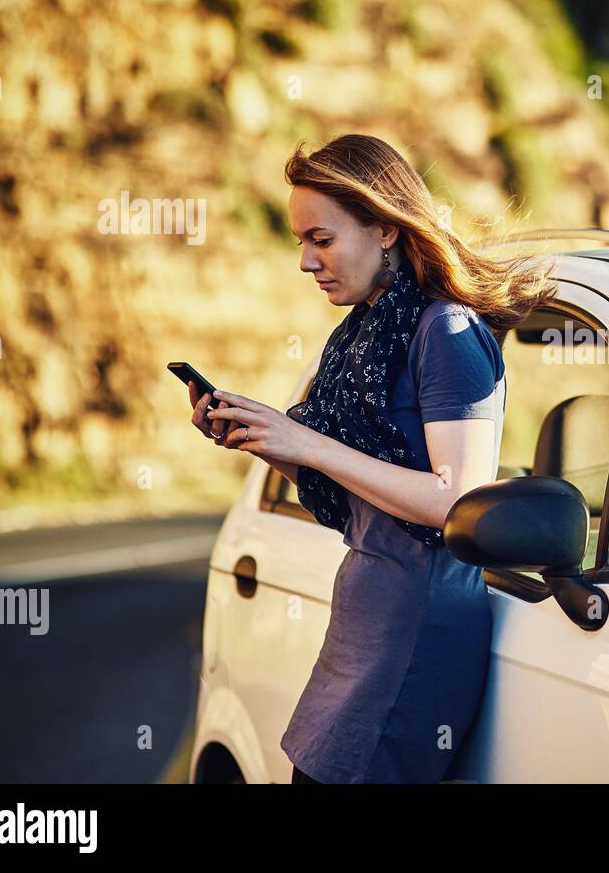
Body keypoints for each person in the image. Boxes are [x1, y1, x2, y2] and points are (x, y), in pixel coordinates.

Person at [187, 134, 557, 782]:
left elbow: (457, 500)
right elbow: (349, 486)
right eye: (300, 241)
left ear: (385, 228)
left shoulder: (444, 329)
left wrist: (308, 441)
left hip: (415, 631)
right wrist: (254, 433)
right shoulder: (364, 330)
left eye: (321, 239)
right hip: (364, 622)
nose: (305, 260)